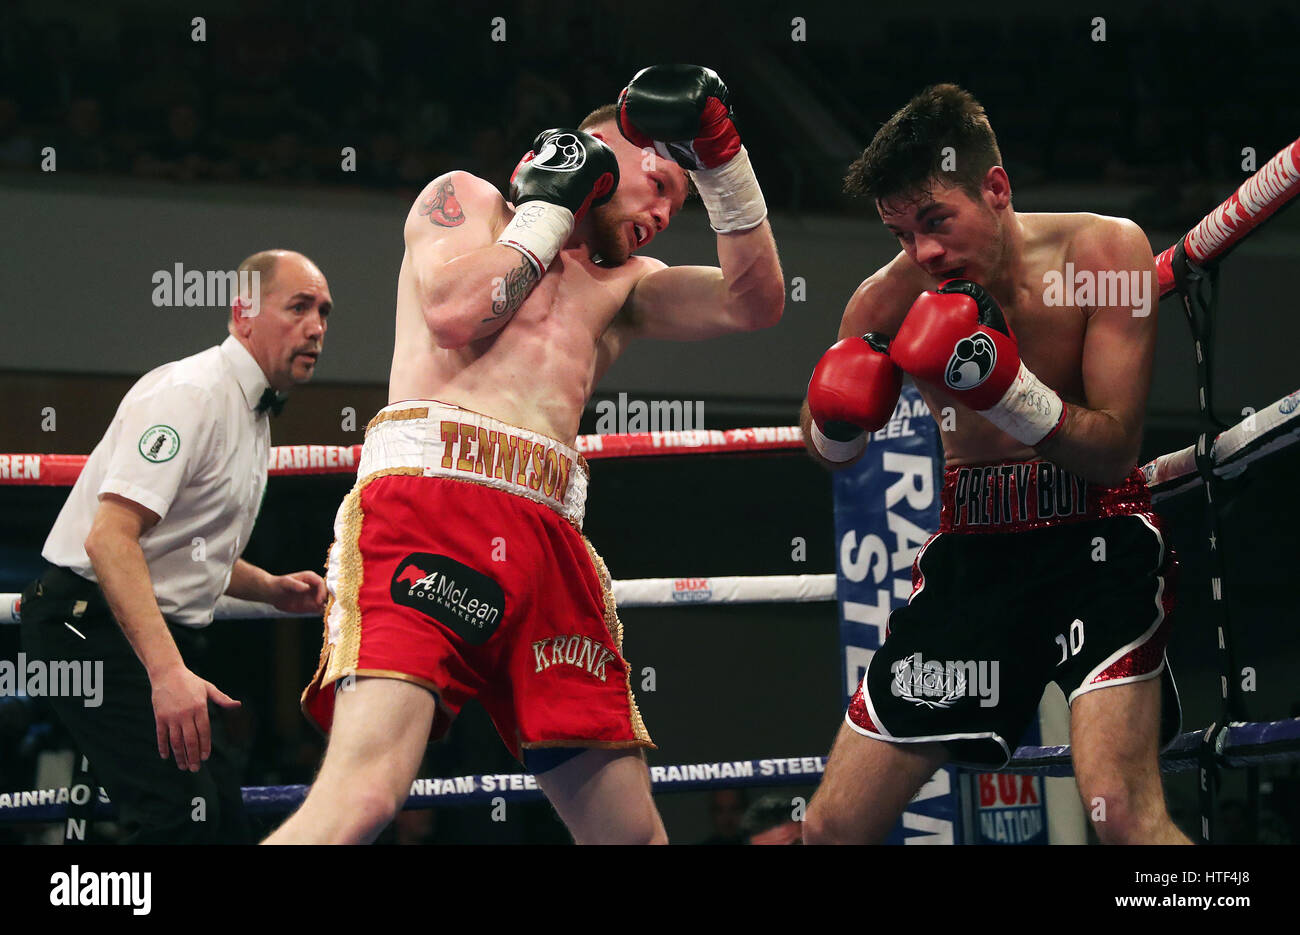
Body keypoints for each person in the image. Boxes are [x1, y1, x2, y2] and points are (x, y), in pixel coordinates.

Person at [264, 64, 784, 845]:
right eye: (664, 183)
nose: (668, 213)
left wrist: (723, 160)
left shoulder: (627, 285)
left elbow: (756, 304)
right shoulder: (469, 201)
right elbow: (455, 312)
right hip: (431, 509)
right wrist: (546, 208)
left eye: (683, 198)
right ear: (609, 146)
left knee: (633, 837)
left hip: (549, 540)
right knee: (364, 799)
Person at [799, 85, 1189, 845]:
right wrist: (841, 424)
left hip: (1096, 542)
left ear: (997, 188)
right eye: (902, 233)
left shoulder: (1104, 254)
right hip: (973, 558)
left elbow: (1114, 449)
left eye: (936, 220)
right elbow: (823, 449)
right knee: (830, 828)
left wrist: (1004, 387)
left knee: (1121, 816)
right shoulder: (883, 300)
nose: (925, 253)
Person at [20, 249, 332, 843]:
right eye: (298, 307)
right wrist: (167, 674)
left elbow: (183, 544)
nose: (316, 326)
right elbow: (110, 539)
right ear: (242, 311)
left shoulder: (252, 412)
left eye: (323, 312)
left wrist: (268, 588)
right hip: (84, 627)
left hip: (134, 631)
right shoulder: (191, 394)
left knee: (220, 817)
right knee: (179, 817)